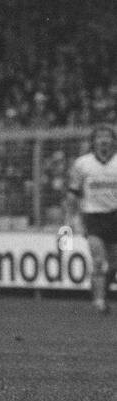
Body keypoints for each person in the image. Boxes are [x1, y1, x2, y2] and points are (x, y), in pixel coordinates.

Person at [66, 126, 117, 314]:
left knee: (113, 264)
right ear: (93, 142)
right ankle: (99, 301)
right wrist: (72, 218)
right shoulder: (82, 164)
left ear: (113, 141)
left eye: (108, 137)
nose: (104, 141)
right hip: (93, 217)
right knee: (98, 260)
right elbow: (73, 193)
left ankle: (99, 288)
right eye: (99, 137)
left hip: (114, 216)